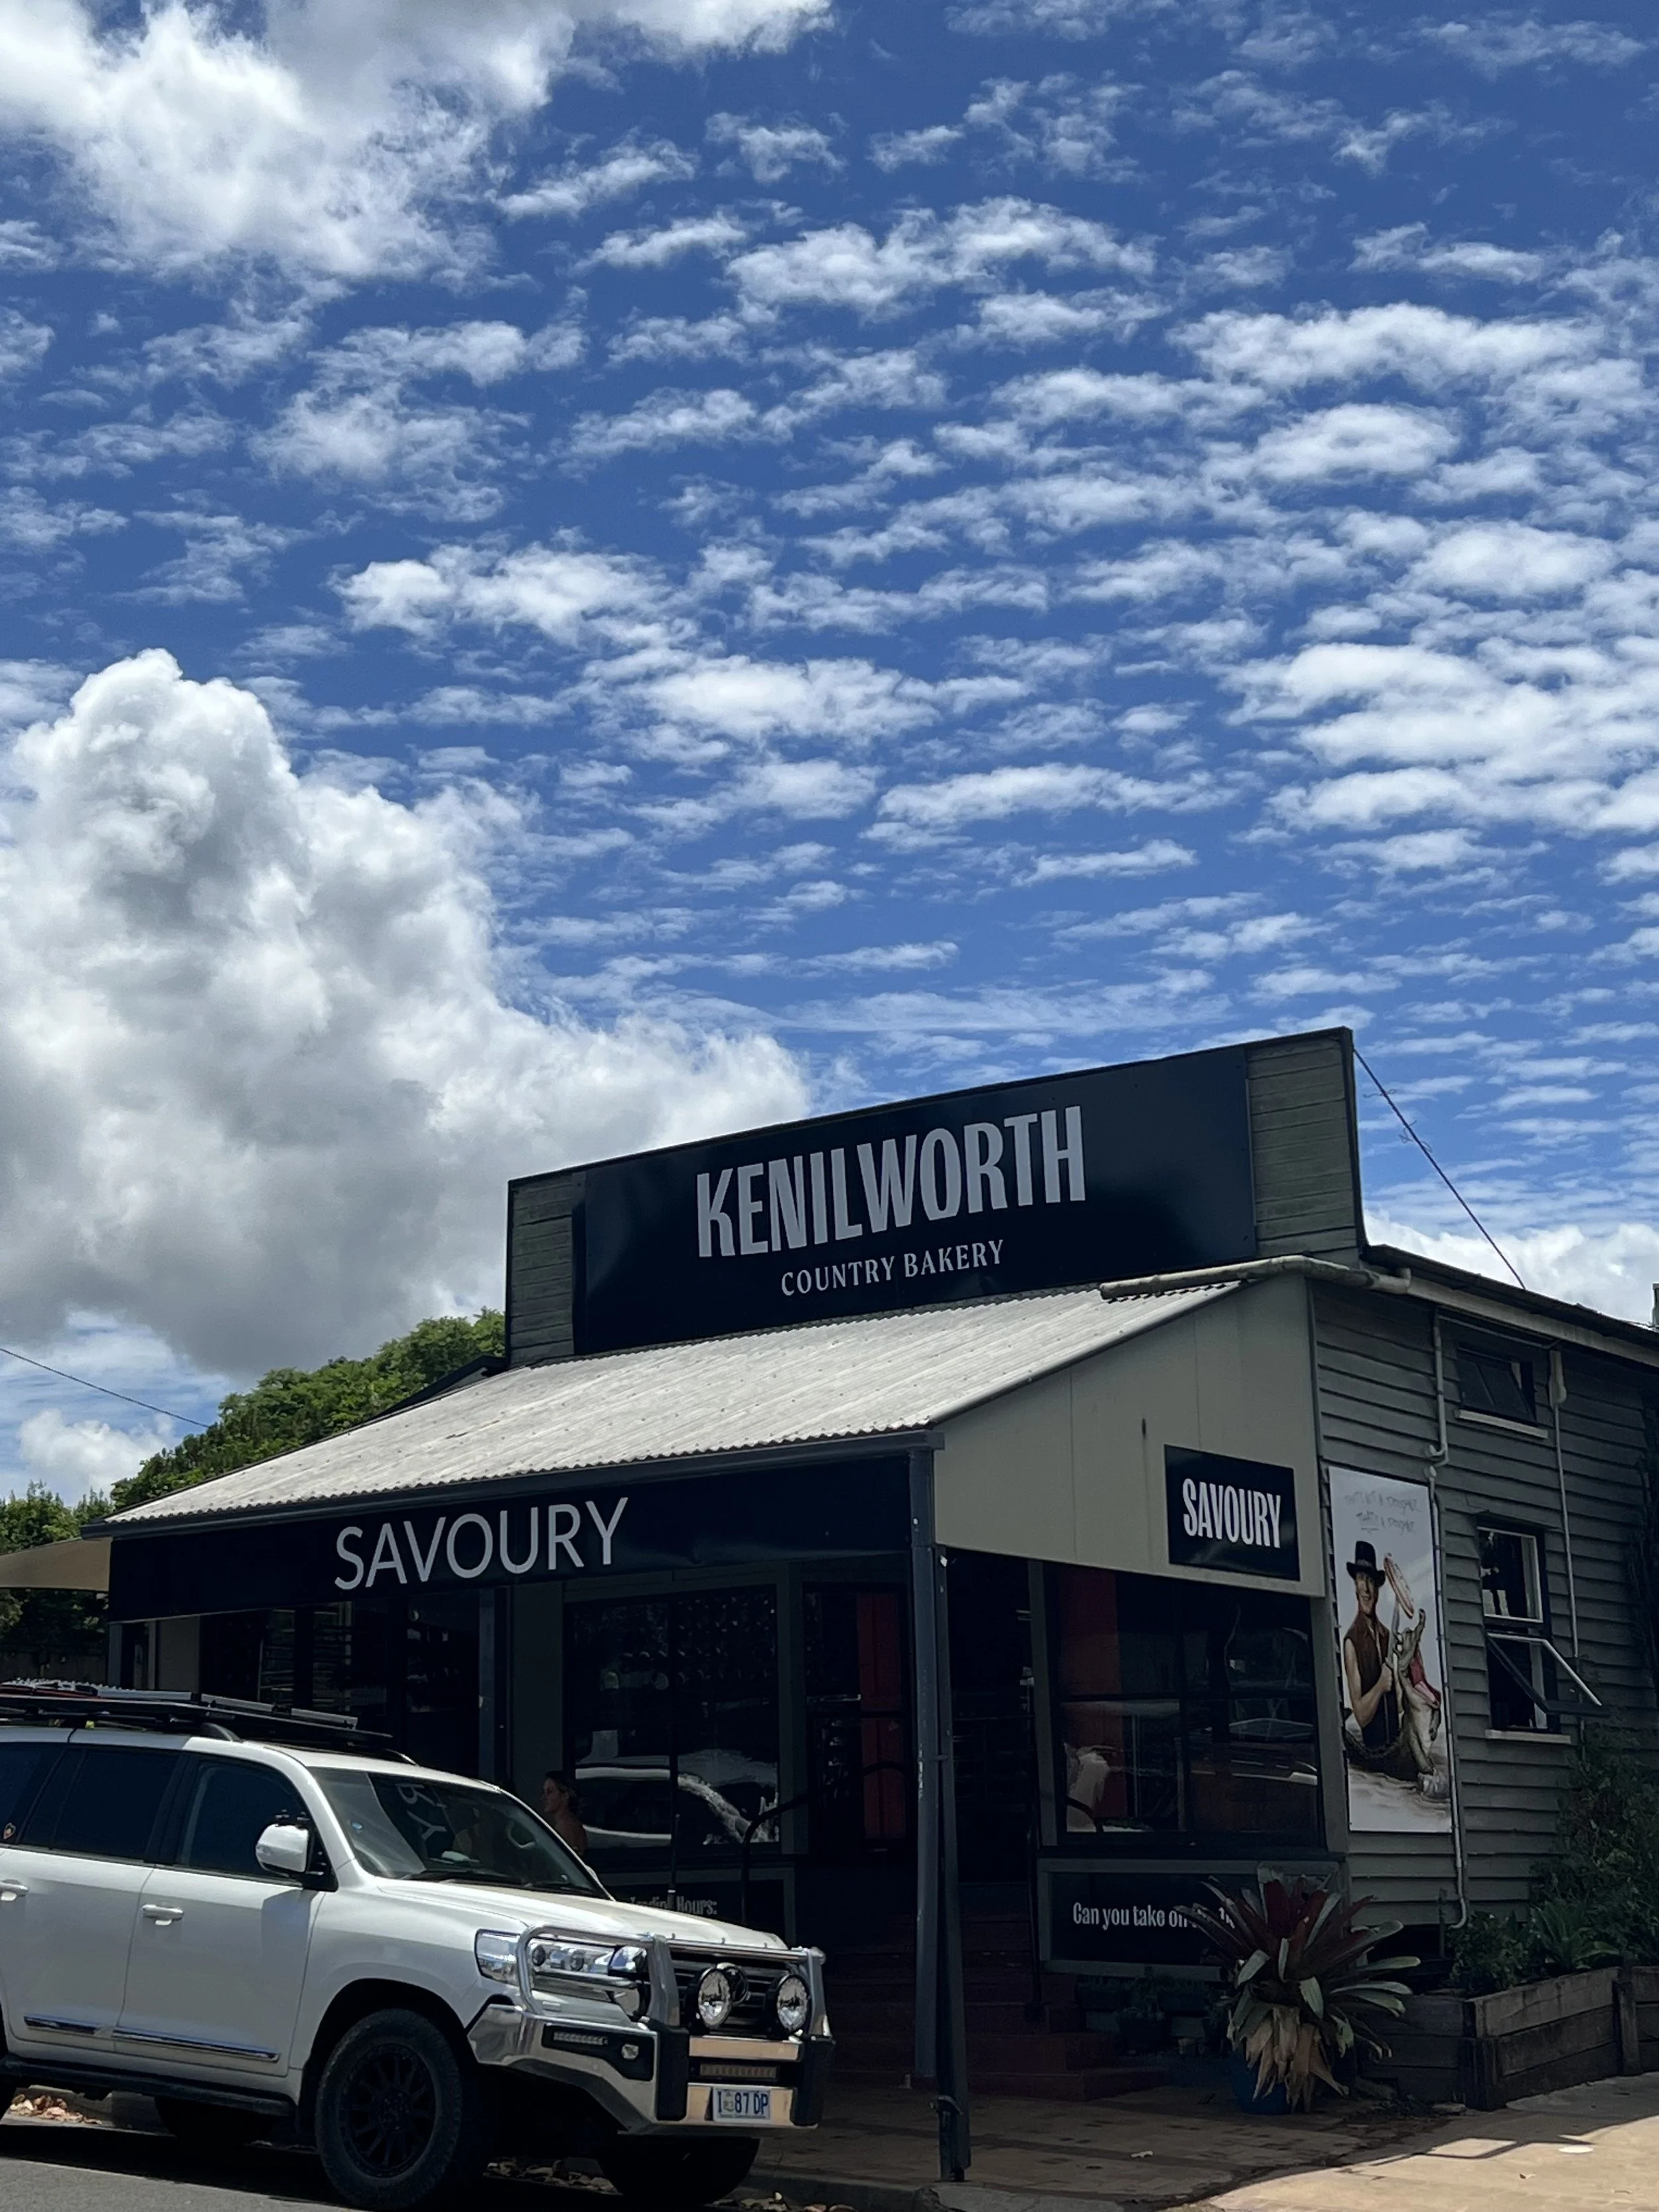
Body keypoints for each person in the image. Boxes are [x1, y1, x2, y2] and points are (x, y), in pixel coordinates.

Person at [1341, 1540, 1411, 1777]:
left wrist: (1402, 1681)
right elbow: (1361, 1715)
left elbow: (1401, 1705)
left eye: (1371, 1581)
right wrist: (1381, 1686)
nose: (1367, 1589)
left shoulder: (1387, 1636)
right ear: (1355, 1584)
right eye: (1362, 1579)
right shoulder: (1351, 1642)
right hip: (1372, 1764)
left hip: (1395, 1745)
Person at [542, 1771, 589, 1856]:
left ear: (564, 1796)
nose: (544, 1798)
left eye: (550, 1792)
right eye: (544, 1792)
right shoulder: (572, 1824)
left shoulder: (565, 1827)